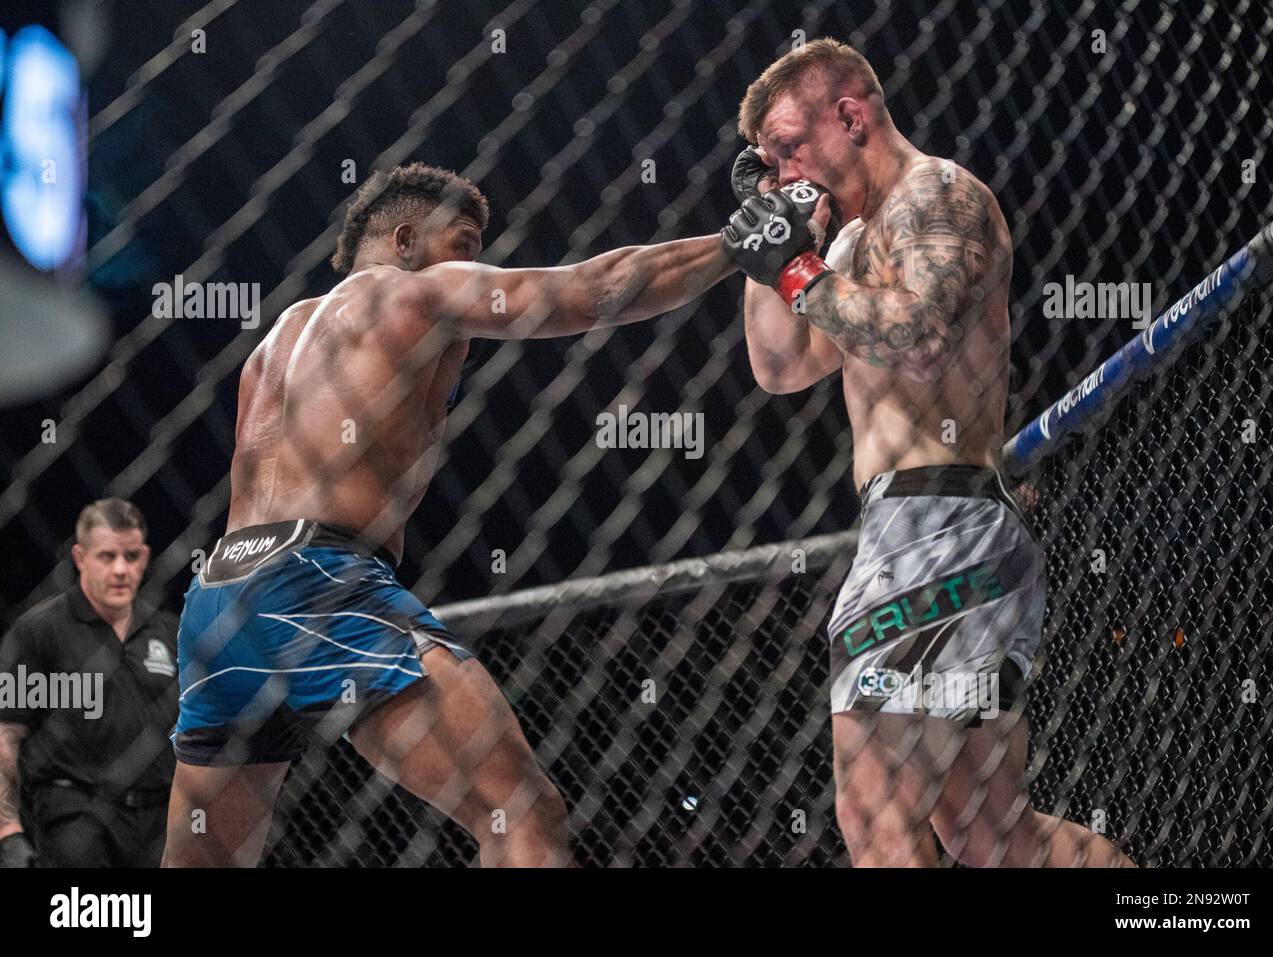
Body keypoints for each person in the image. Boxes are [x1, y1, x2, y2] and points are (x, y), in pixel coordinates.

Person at [163, 162, 742, 867]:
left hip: (219, 595)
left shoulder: (275, 338)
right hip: (317, 580)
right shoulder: (414, 293)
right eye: (462, 243)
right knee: (522, 813)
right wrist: (740, 243)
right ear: (406, 239)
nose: (474, 265)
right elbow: (596, 290)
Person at [728, 38, 1135, 867]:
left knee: (876, 820)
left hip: (936, 526)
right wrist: (767, 249)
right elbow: (779, 367)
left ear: (851, 114)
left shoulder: (937, 194)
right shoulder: (845, 245)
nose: (781, 167)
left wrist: (798, 274)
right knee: (992, 834)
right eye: (768, 160)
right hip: (939, 535)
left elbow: (918, 334)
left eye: (788, 145)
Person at [0, 498, 178, 867]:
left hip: (157, 817)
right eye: (106, 556)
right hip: (74, 811)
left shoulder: (166, 631)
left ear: (144, 557)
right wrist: (8, 831)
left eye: (130, 557)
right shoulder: (40, 632)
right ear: (80, 558)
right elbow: (6, 735)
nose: (120, 570)